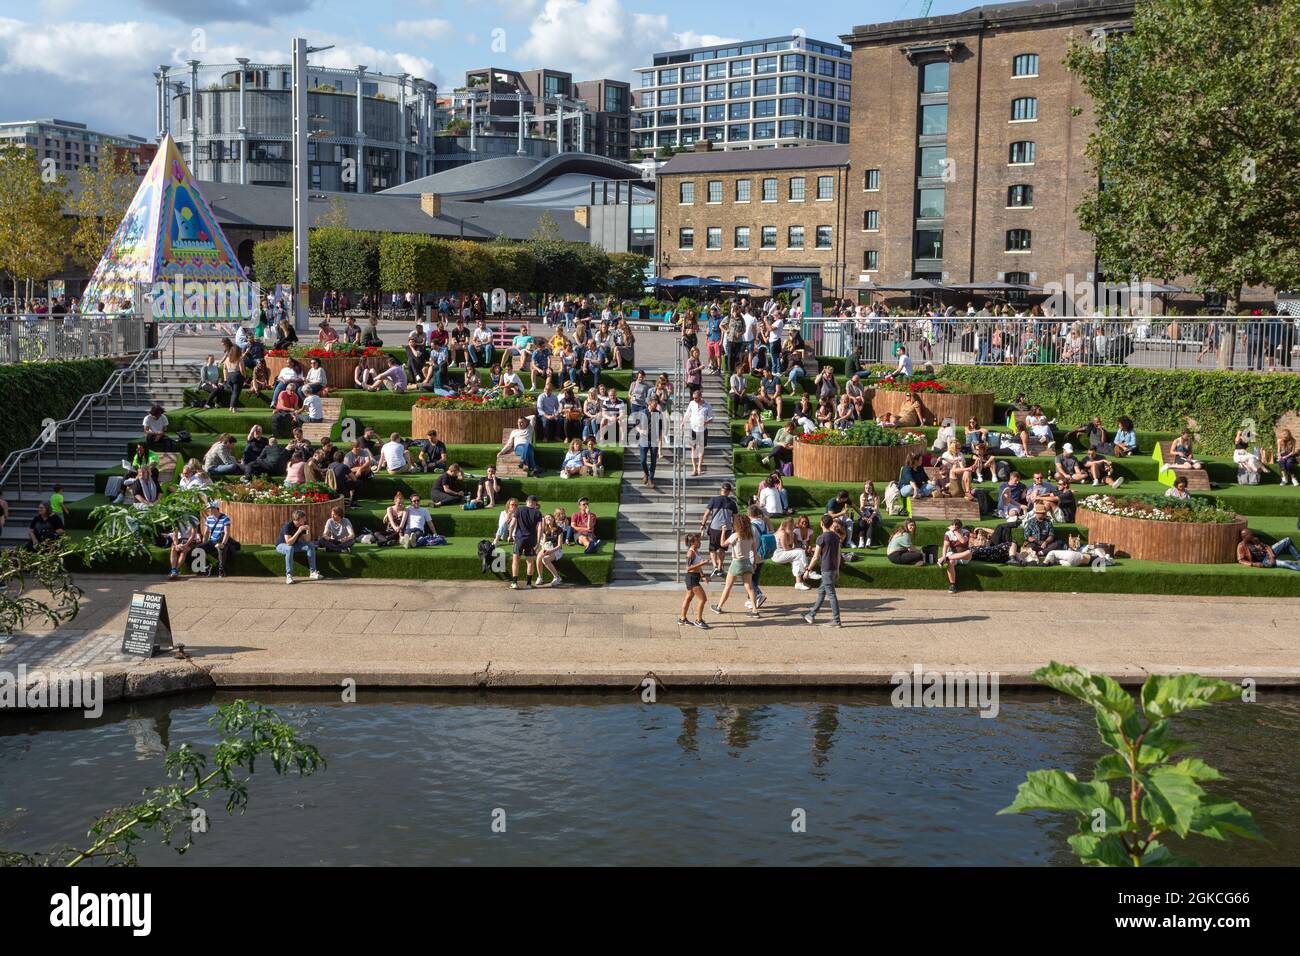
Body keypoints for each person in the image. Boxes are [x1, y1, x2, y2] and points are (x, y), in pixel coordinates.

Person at [710, 512, 761, 618]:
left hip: (737, 562)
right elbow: (755, 551)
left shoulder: (735, 535)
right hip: (747, 562)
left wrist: (723, 531)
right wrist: (754, 563)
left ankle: (719, 607)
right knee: (750, 588)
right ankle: (755, 610)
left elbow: (722, 544)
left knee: (728, 587)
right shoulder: (750, 536)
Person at [801, 515, 843, 626]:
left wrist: (808, 570)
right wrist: (838, 569)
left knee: (831, 594)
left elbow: (815, 557)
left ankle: (836, 620)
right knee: (821, 592)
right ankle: (811, 614)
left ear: (821, 524)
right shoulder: (836, 537)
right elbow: (838, 554)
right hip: (833, 568)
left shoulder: (821, 538)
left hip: (826, 568)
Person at [701, 482, 738, 577]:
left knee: (712, 549)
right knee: (722, 548)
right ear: (729, 492)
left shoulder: (714, 500)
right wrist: (735, 529)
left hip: (714, 528)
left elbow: (706, 514)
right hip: (727, 529)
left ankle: (715, 567)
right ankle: (720, 566)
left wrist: (703, 524)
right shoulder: (732, 503)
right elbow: (735, 518)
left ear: (721, 490)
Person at [277, 508, 323, 584]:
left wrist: (308, 530)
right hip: (282, 545)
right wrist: (298, 531)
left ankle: (313, 572)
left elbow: (307, 540)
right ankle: (289, 575)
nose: (305, 520)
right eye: (304, 518)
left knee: (310, 545)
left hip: (294, 544)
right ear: (299, 519)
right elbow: (288, 542)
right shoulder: (288, 526)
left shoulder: (302, 525)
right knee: (290, 548)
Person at [509, 494, 544, 589]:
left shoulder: (519, 510)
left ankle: (514, 582)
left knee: (515, 560)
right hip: (531, 539)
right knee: (530, 562)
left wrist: (509, 535)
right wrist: (537, 542)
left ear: (526, 502)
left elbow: (512, 524)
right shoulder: (538, 513)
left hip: (519, 538)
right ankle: (528, 583)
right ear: (535, 503)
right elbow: (540, 528)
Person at [771, 518, 814, 590]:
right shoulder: (782, 533)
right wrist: (797, 549)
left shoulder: (788, 532)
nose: (793, 527)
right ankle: (808, 570)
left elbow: (790, 544)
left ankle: (798, 583)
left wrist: (791, 533)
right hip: (778, 555)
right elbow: (786, 548)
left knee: (797, 559)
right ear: (785, 525)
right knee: (800, 552)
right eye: (791, 526)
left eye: (793, 525)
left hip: (783, 553)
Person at [678, 533, 711, 626]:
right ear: (692, 542)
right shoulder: (690, 552)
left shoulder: (696, 551)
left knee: (688, 598)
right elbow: (688, 568)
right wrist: (702, 563)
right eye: (698, 541)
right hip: (691, 578)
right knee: (703, 599)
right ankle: (698, 620)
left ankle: (682, 619)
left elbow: (697, 566)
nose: (700, 542)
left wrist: (703, 576)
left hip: (695, 577)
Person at [200, 500, 236, 577]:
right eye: (208, 508)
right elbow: (206, 533)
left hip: (221, 540)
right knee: (199, 548)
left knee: (221, 549)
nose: (209, 510)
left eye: (211, 508)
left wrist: (223, 544)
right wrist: (203, 543)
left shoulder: (225, 518)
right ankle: (207, 566)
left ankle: (221, 569)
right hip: (212, 541)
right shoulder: (209, 519)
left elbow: (227, 533)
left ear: (216, 508)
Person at [684, 387, 714, 477]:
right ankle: (694, 468)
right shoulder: (692, 403)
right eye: (693, 398)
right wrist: (683, 422)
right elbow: (687, 413)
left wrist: (706, 422)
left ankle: (699, 467)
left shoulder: (707, 405)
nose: (694, 399)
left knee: (701, 449)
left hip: (702, 430)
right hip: (693, 429)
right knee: (693, 448)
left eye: (696, 398)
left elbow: (712, 417)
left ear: (700, 396)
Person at [937, 519, 972, 594]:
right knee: (951, 561)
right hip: (953, 555)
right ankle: (952, 585)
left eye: (958, 528)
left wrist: (955, 531)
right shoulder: (948, 533)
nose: (956, 530)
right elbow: (945, 546)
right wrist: (943, 555)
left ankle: (946, 558)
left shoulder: (966, 532)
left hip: (964, 557)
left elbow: (963, 541)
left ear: (961, 527)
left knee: (969, 552)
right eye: (954, 528)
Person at [535, 514, 565, 587]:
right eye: (546, 518)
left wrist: (551, 551)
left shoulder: (559, 529)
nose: (547, 519)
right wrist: (543, 550)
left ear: (553, 519)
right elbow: (544, 542)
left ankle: (557, 577)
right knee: (539, 557)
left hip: (557, 550)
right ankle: (540, 577)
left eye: (549, 517)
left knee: (545, 559)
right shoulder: (545, 529)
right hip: (547, 548)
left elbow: (559, 545)